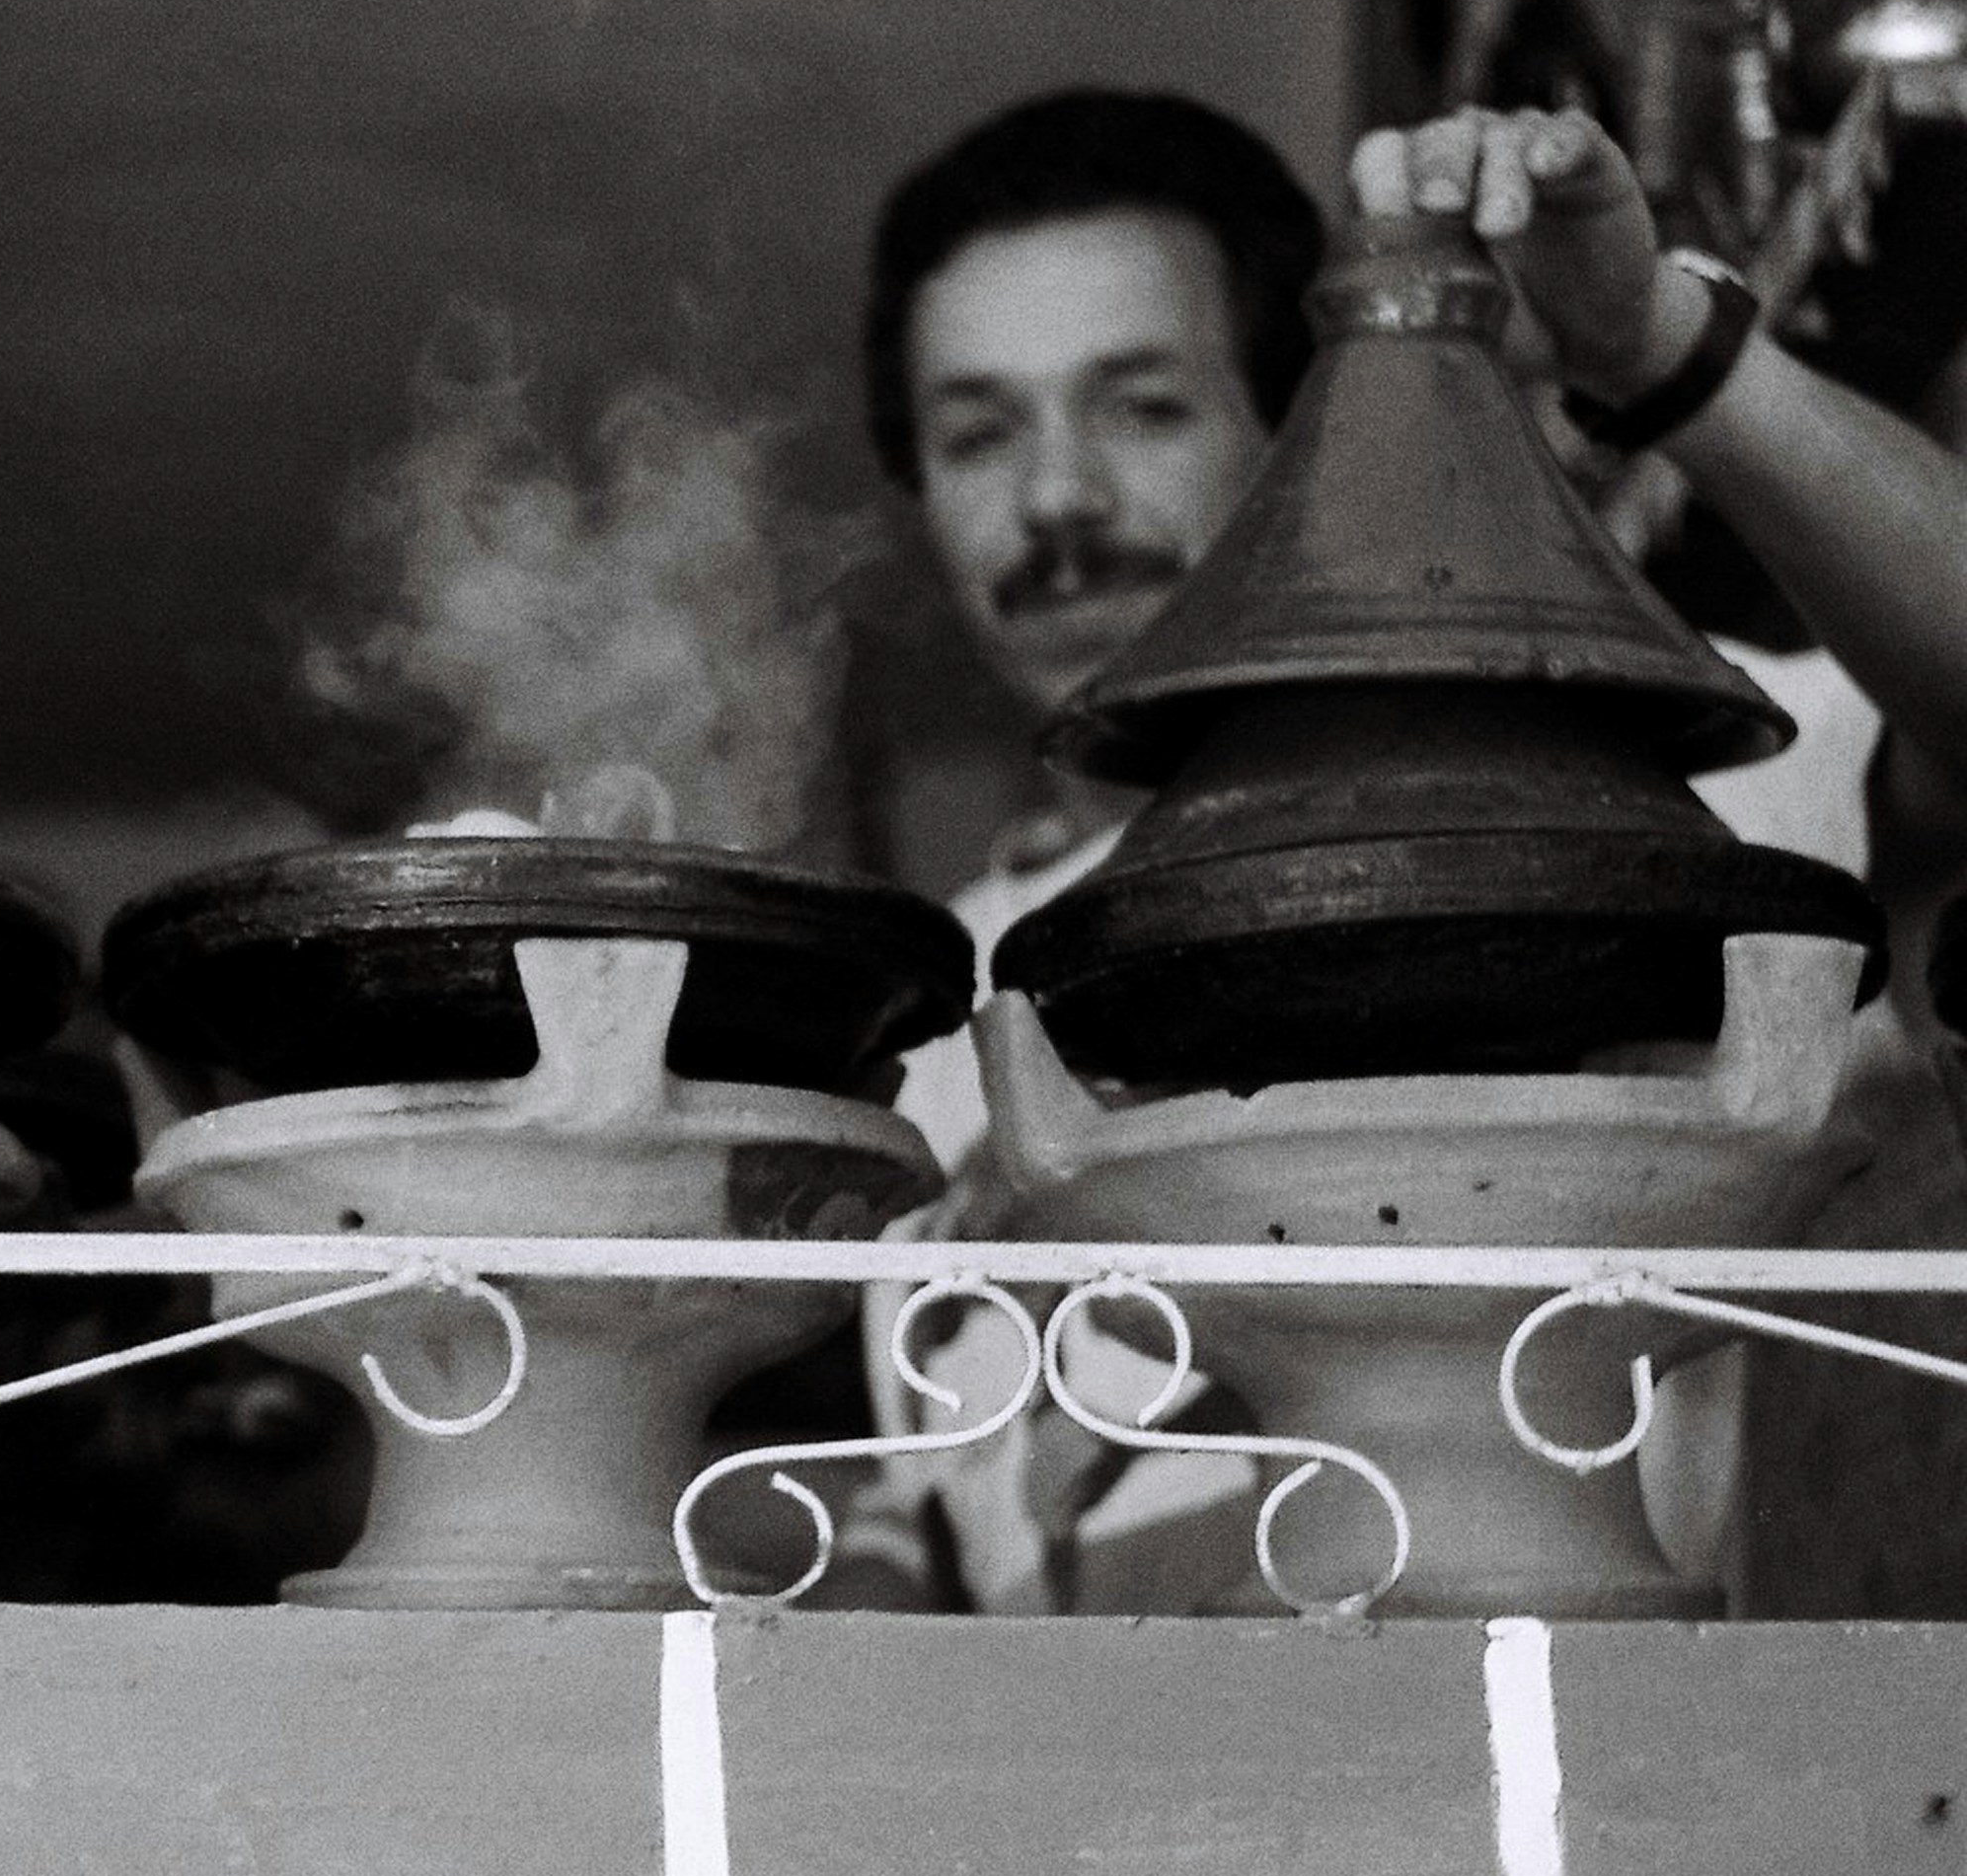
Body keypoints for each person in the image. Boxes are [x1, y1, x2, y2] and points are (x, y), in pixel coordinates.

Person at [834, 88, 1967, 1613]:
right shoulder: (926, 1025)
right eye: (979, 434)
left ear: (1308, 419)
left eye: (1143, 405)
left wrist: (1662, 353)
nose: (1056, 500)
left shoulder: (1659, 809)